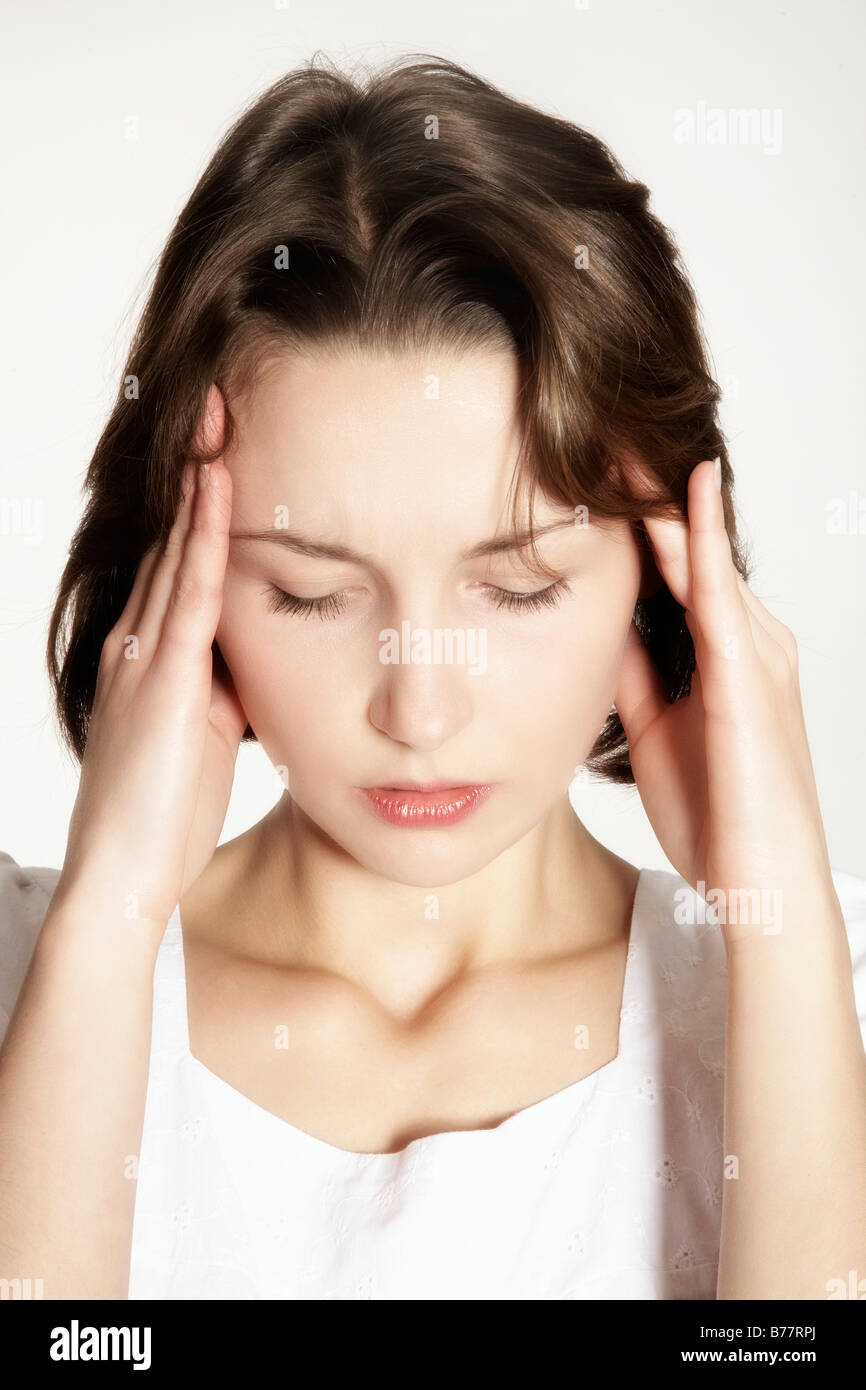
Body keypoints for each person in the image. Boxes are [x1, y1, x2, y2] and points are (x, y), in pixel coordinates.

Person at [1, 54, 865, 1302]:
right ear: (176, 580)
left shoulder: (817, 1007)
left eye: (515, 585)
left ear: (668, 578)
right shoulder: (36, 973)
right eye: (310, 590)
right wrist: (107, 926)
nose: (418, 707)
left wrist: (775, 910)